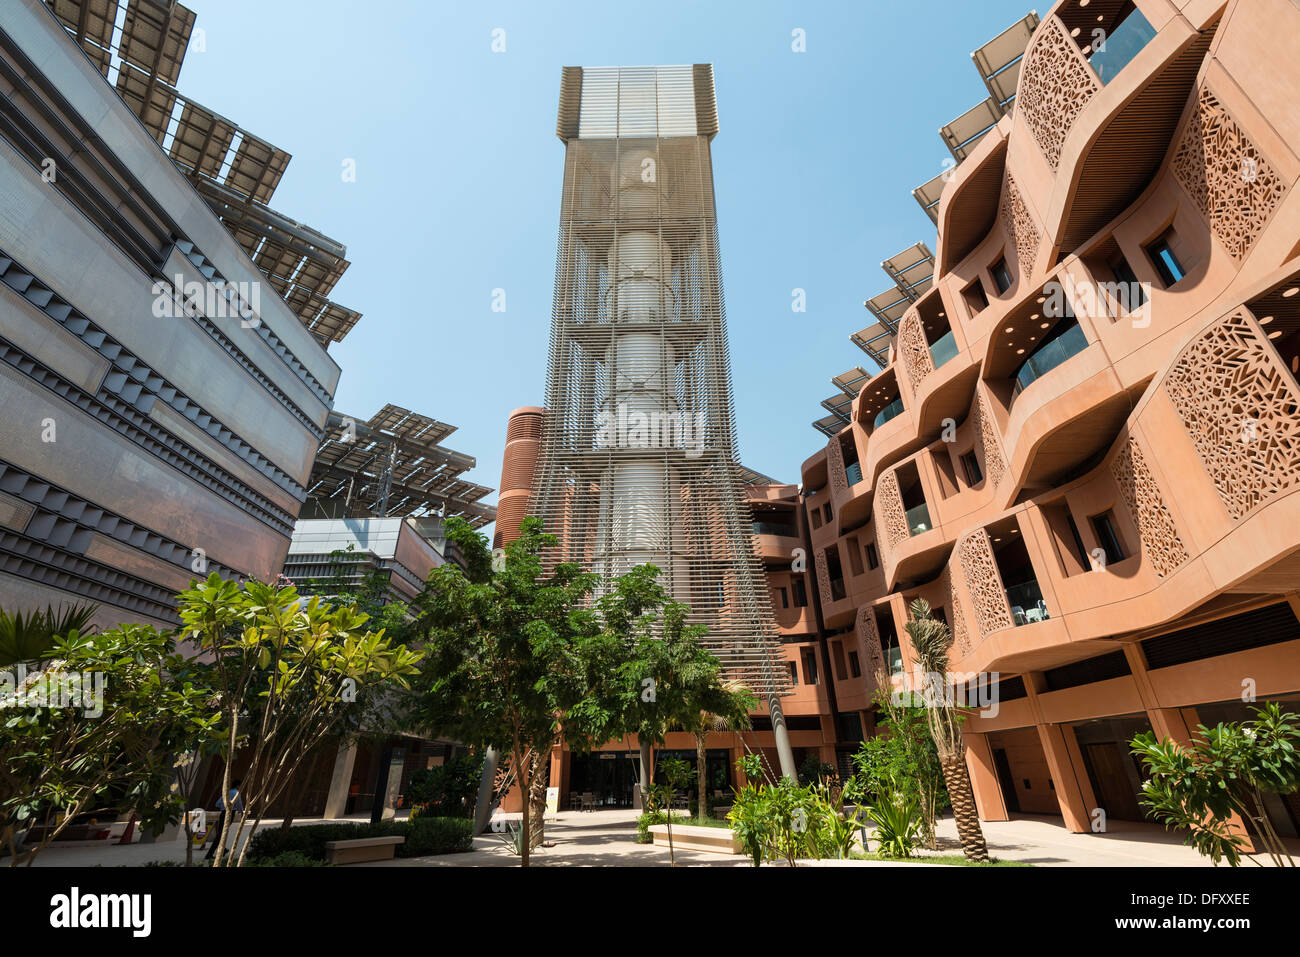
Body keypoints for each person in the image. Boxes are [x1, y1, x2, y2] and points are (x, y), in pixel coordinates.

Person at [204, 779, 244, 861]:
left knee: (221, 833)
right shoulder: (236, 793)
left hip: (222, 813)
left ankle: (223, 850)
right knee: (221, 834)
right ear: (237, 786)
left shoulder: (226, 792)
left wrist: (223, 807)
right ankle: (210, 854)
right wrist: (241, 812)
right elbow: (239, 804)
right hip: (230, 813)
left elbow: (217, 803)